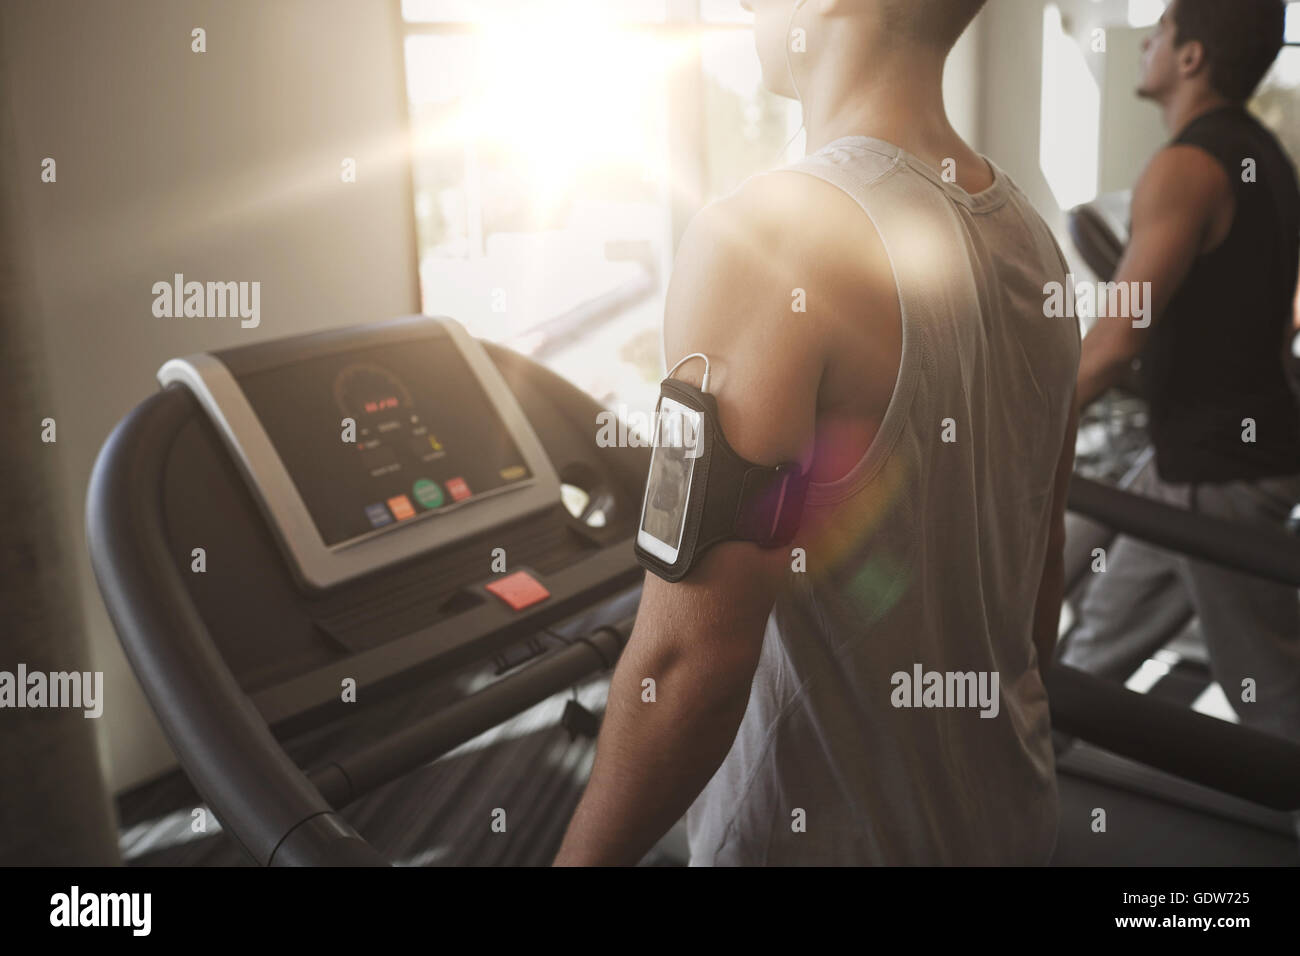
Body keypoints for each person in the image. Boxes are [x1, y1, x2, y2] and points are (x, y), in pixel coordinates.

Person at [553, 0, 1079, 866]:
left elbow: (690, 664)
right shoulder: (1034, 242)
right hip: (1015, 821)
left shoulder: (768, 237)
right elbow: (1039, 580)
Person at [1062, 0, 1300, 743]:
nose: (1146, 44)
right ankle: (1020, 791)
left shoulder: (1184, 167)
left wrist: (1015, 428)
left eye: (1160, 30)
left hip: (1221, 473)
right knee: (1095, 643)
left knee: (1273, 699)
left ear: (1191, 56)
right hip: (1191, 461)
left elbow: (1114, 339)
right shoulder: (1264, 155)